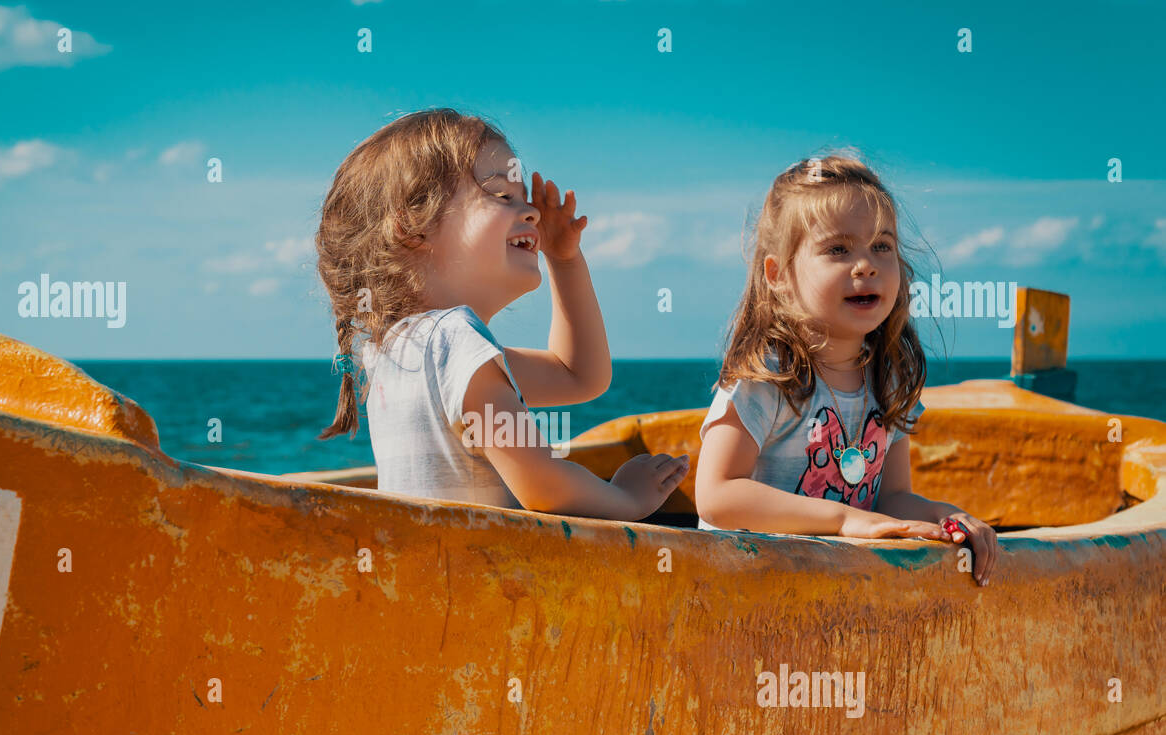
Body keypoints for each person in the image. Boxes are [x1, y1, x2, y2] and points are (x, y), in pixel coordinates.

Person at [315, 108, 687, 519]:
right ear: (413, 226)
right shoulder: (454, 339)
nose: (531, 212)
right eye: (502, 196)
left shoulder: (401, 350)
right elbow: (542, 486)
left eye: (525, 199)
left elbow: (577, 374)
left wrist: (563, 259)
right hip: (483, 578)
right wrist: (628, 497)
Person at [694, 154, 999, 585]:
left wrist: (942, 515)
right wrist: (843, 520)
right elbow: (717, 494)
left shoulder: (888, 380)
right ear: (778, 274)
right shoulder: (769, 374)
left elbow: (891, 497)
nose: (866, 264)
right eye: (838, 249)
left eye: (882, 246)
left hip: (831, 592)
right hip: (742, 587)